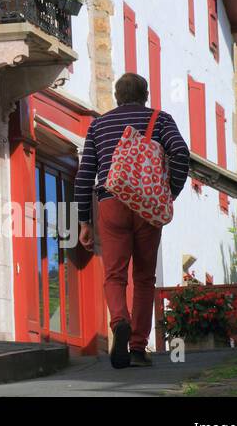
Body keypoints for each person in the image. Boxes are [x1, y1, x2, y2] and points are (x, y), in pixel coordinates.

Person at [76, 73, 190, 368]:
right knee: (144, 277)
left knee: (114, 274)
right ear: (146, 95)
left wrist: (84, 221)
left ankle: (118, 322)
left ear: (117, 96)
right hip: (148, 203)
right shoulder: (161, 120)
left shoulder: (99, 125)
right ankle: (138, 348)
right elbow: (180, 153)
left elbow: (85, 173)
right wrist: (168, 192)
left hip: (111, 201)